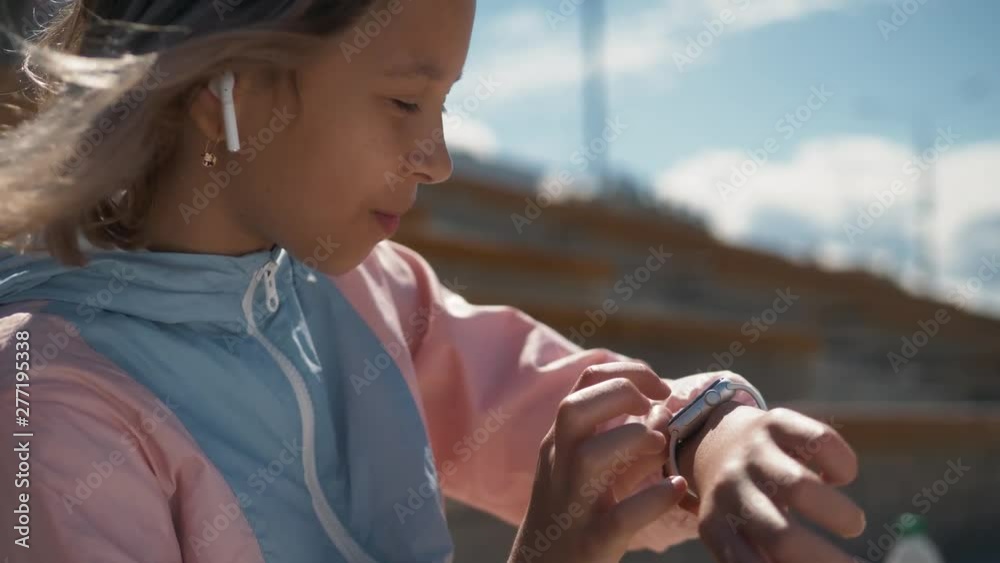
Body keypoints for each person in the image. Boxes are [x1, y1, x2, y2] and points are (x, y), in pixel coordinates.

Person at [0, 1, 866, 561]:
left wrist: (713, 431)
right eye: (406, 104)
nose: (439, 159)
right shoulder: (50, 403)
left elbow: (583, 409)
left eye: (446, 106)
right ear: (225, 88)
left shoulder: (367, 292)